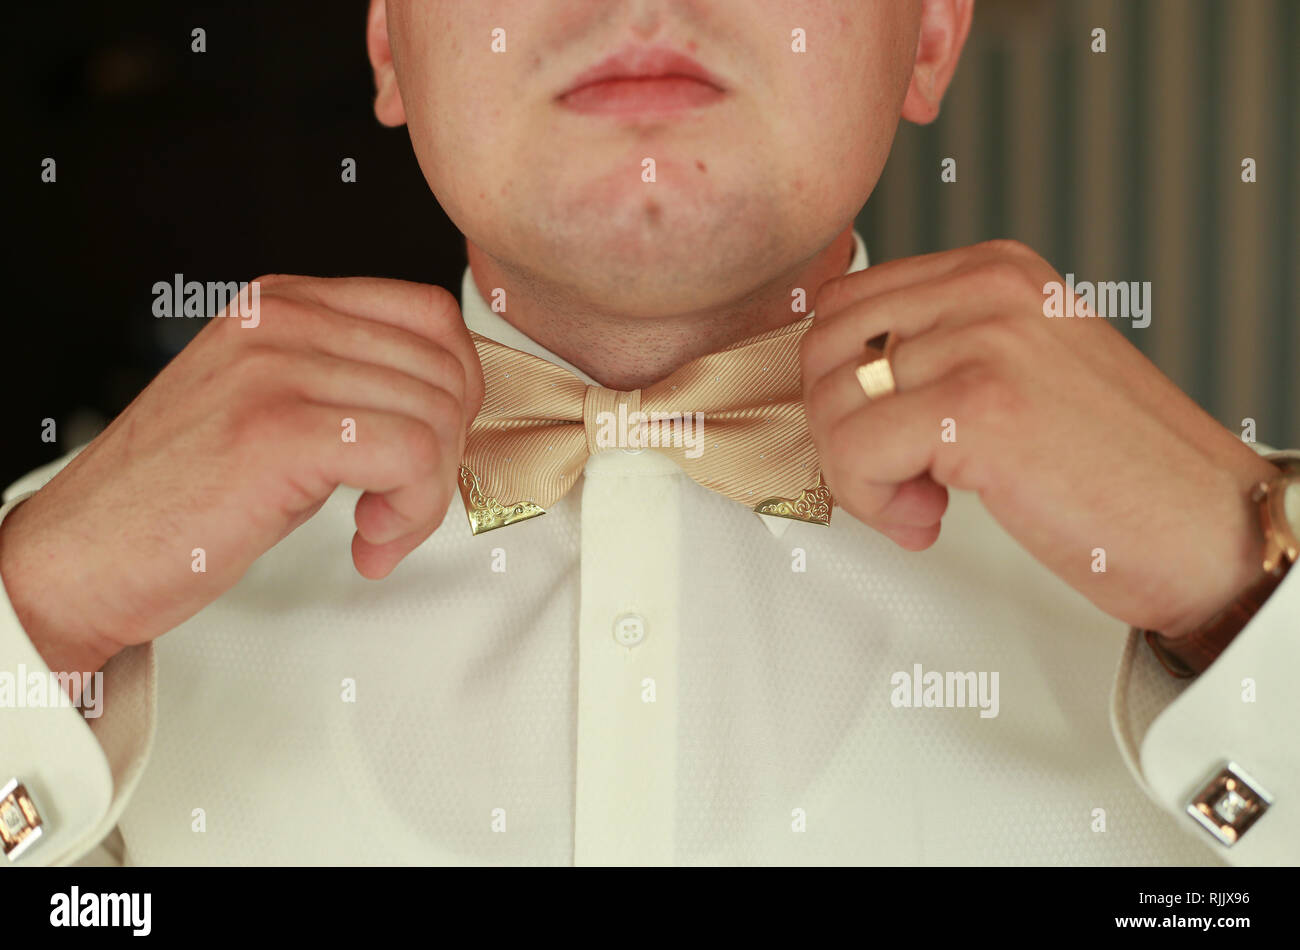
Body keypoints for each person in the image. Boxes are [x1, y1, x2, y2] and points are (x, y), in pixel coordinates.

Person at [1, 0, 1296, 866]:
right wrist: (31, 619)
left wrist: (1260, 593)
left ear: (931, 35)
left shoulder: (1236, 575)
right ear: (392, 44)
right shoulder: (67, 600)